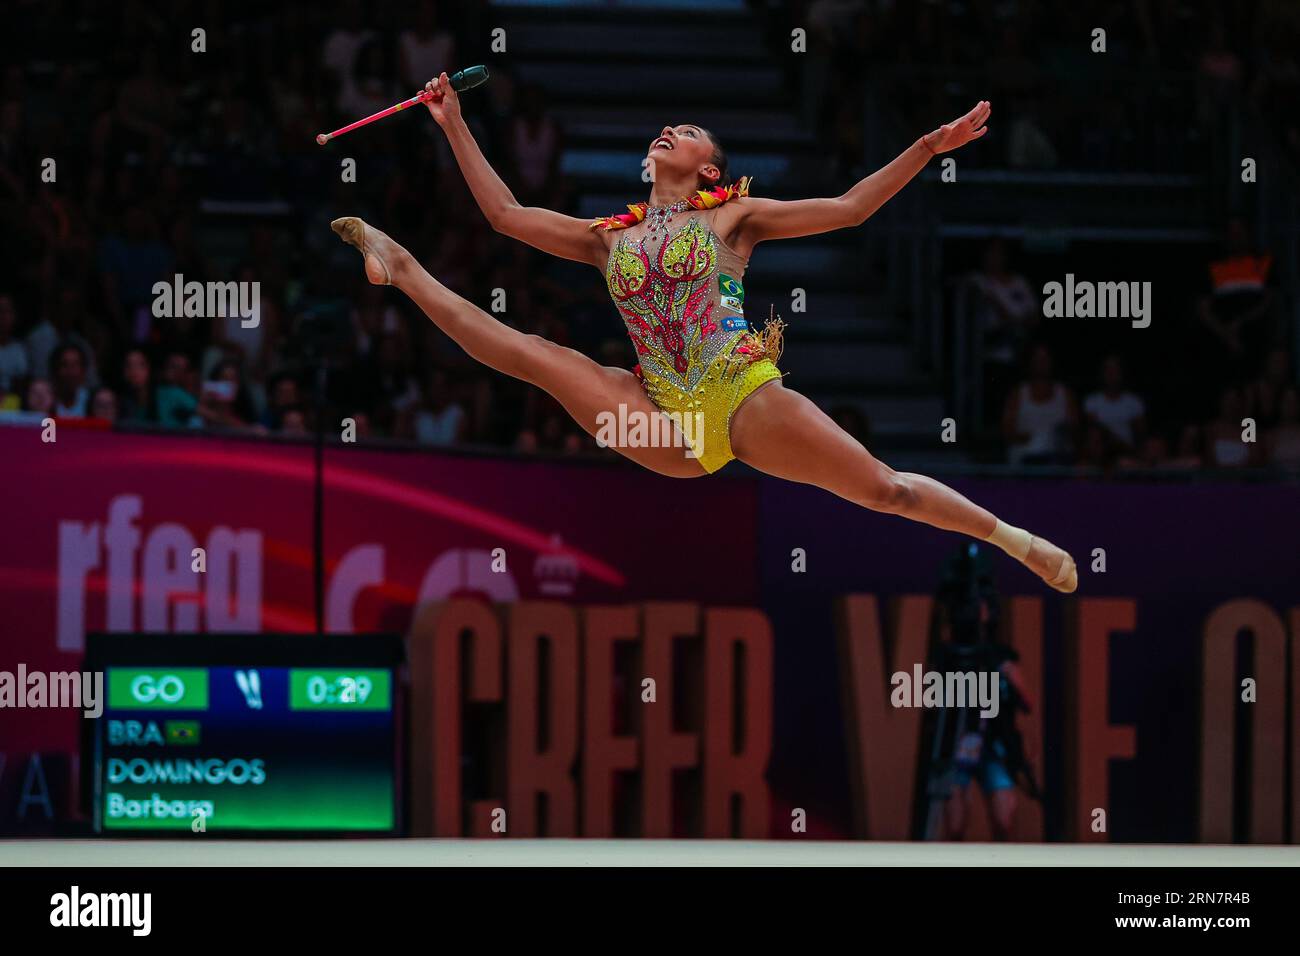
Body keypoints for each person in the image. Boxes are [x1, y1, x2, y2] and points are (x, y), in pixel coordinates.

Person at [331, 76, 1077, 591]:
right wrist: (455, 121)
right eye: (665, 128)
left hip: (741, 393)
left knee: (883, 489)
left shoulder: (731, 220)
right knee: (537, 358)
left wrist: (924, 148)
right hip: (663, 420)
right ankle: (401, 266)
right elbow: (506, 217)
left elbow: (848, 209)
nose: (667, 131)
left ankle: (1016, 540)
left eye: (683, 133)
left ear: (707, 166)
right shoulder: (606, 238)